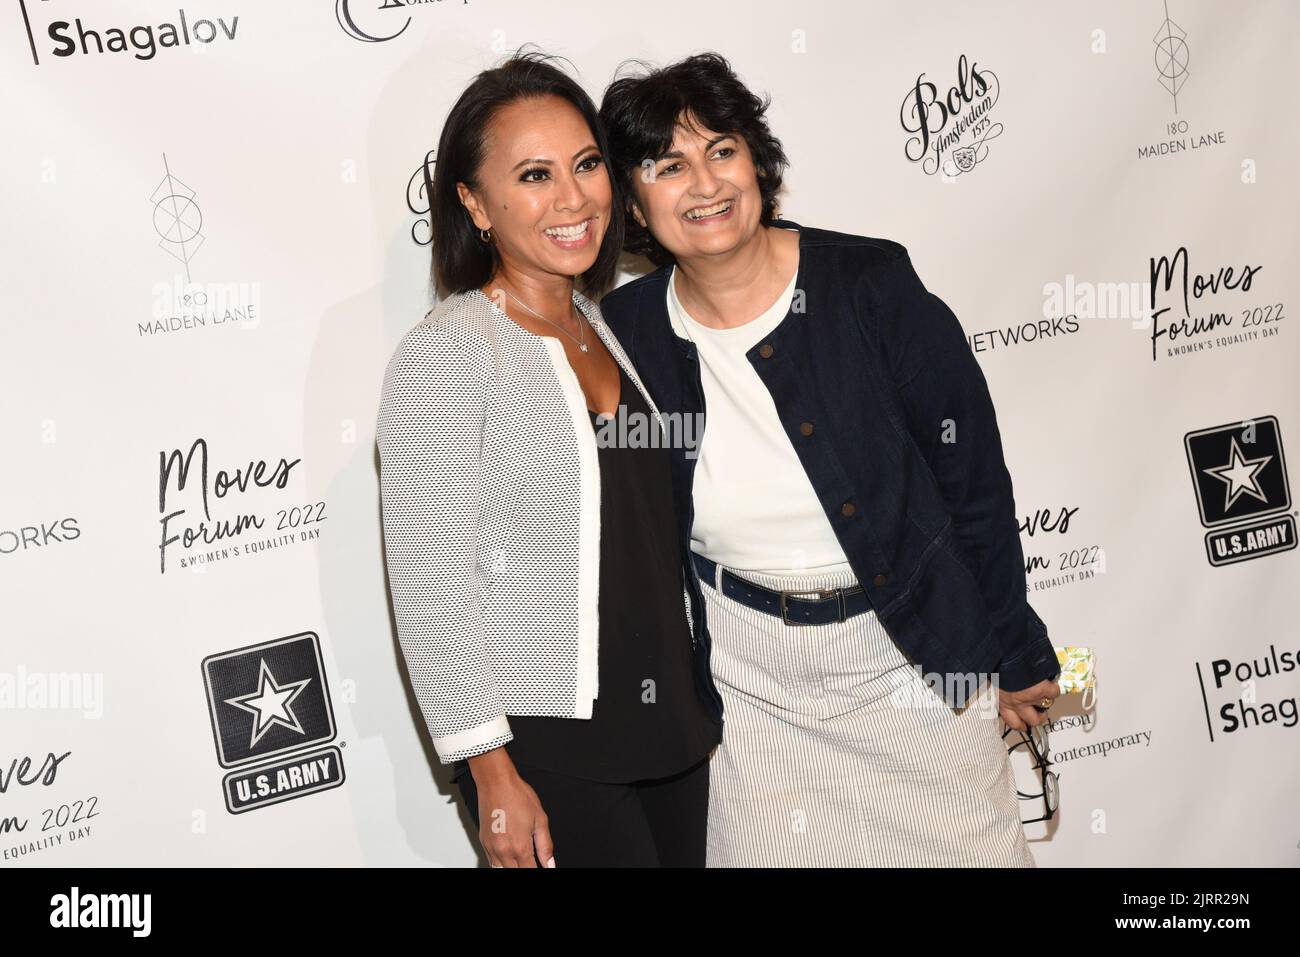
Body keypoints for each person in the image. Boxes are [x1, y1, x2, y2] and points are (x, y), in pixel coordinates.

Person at [597, 52, 1061, 866]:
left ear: (758, 162)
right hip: (750, 686)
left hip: (913, 662)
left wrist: (1016, 652)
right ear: (634, 203)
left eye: (723, 150)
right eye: (669, 165)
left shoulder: (868, 284)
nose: (705, 183)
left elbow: (974, 484)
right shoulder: (626, 330)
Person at [376, 51, 721, 868]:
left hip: (668, 722)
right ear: (473, 202)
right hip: (547, 747)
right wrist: (489, 770)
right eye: (534, 175)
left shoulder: (606, 329)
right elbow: (431, 588)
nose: (573, 198)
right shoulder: (447, 355)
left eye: (588, 164)